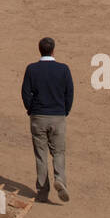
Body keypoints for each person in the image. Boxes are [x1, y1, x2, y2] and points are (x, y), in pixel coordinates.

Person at [21, 37, 73, 204]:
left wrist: (31, 110)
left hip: (38, 117)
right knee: (58, 152)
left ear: (39, 50)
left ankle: (42, 192)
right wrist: (64, 111)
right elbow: (69, 93)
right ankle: (60, 180)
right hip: (57, 116)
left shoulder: (32, 69)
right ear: (53, 50)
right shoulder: (63, 69)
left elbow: (25, 92)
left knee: (41, 155)